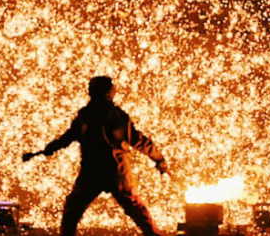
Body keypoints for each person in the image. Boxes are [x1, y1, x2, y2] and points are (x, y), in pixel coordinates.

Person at [30, 76, 168, 236]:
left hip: (93, 171)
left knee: (72, 210)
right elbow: (139, 140)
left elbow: (68, 137)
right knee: (136, 209)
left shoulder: (86, 115)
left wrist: (49, 149)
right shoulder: (116, 116)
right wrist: (159, 159)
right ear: (110, 92)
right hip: (117, 171)